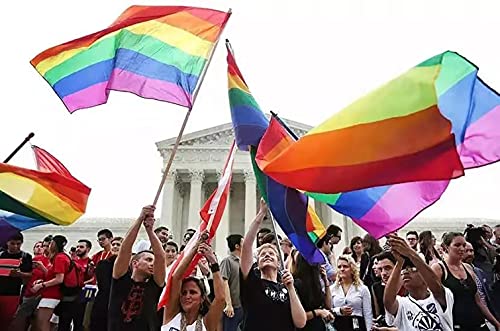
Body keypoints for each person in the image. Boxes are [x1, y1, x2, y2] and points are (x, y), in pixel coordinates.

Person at [240, 199, 306, 331]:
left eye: (272, 253)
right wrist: (261, 213)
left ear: (278, 262)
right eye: (262, 254)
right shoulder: (253, 282)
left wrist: (291, 288)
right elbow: (246, 246)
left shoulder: (287, 287)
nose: (267, 255)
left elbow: (300, 322)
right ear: (257, 264)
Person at [108, 205, 165, 331]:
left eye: (153, 261)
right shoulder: (120, 278)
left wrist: (150, 230)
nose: (152, 264)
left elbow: (161, 257)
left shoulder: (154, 285)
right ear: (135, 263)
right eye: (148, 260)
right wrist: (140, 220)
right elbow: (125, 249)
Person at [384, 234, 454, 331]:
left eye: (413, 269)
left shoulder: (443, 296)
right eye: (404, 270)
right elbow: (388, 301)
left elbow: (436, 286)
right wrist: (399, 263)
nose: (406, 272)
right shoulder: (402, 304)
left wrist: (409, 252)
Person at [432, 232, 500, 331]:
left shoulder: (468, 268)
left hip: (479, 324)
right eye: (457, 245)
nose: (462, 249)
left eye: (464, 245)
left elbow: (478, 300)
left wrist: (495, 322)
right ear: (446, 247)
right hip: (457, 325)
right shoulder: (439, 268)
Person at [162, 233, 225, 331]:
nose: (187, 296)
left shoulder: (207, 323)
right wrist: (195, 247)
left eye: (193, 292)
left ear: (202, 298)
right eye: (184, 293)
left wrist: (213, 262)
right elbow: (176, 277)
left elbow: (220, 298)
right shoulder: (171, 315)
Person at [33, 235, 70, 331]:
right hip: (50, 294)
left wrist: (41, 285)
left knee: (42, 322)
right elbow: (53, 276)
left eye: (50, 244)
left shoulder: (60, 258)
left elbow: (59, 279)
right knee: (43, 322)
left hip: (52, 295)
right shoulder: (60, 257)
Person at [331, 255, 372, 331]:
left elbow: (368, 313)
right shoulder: (332, 289)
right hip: (338, 325)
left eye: (345, 266)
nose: (342, 269)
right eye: (339, 267)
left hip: (357, 324)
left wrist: (369, 329)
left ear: (352, 269)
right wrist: (339, 310)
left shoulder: (362, 288)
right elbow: (329, 310)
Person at [293, 253, 334, 331]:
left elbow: (328, 305)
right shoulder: (297, 284)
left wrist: (326, 282)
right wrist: (318, 312)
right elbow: (300, 317)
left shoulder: (315, 283)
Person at [0, 232, 32, 327]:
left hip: (13, 292)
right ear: (7, 243)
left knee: (7, 319)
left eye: (18, 244)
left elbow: (30, 275)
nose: (16, 246)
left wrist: (19, 274)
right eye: (13, 243)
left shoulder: (26, 256)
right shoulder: (1, 255)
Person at [89, 237, 122, 331]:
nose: (115, 247)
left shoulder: (131, 264)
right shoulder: (103, 264)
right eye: (113, 244)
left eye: (118, 245)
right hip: (104, 302)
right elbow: (104, 286)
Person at [221, 234, 244, 331]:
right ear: (237, 246)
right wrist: (228, 304)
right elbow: (224, 282)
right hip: (233, 307)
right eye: (243, 242)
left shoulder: (244, 262)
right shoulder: (228, 261)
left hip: (244, 305)